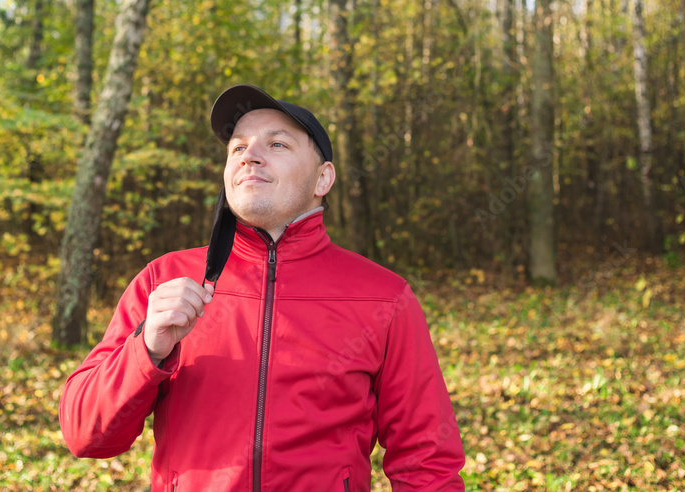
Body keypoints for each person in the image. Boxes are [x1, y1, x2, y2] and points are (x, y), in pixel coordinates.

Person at [58, 84, 465, 490]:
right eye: (238, 148)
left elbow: (426, 461)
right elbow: (84, 435)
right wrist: (146, 349)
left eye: (277, 144)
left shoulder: (383, 298)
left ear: (323, 178)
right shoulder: (166, 280)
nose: (250, 155)